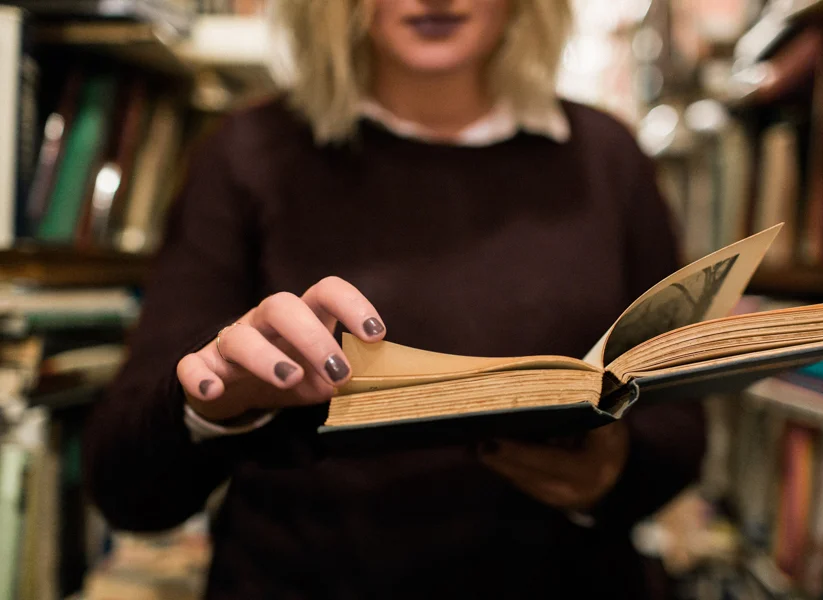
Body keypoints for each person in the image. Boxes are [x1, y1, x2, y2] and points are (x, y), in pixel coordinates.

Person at [83, 1, 706, 598]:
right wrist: (215, 407)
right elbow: (125, 485)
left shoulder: (606, 157)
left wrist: (612, 471)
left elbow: (682, 424)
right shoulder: (247, 153)